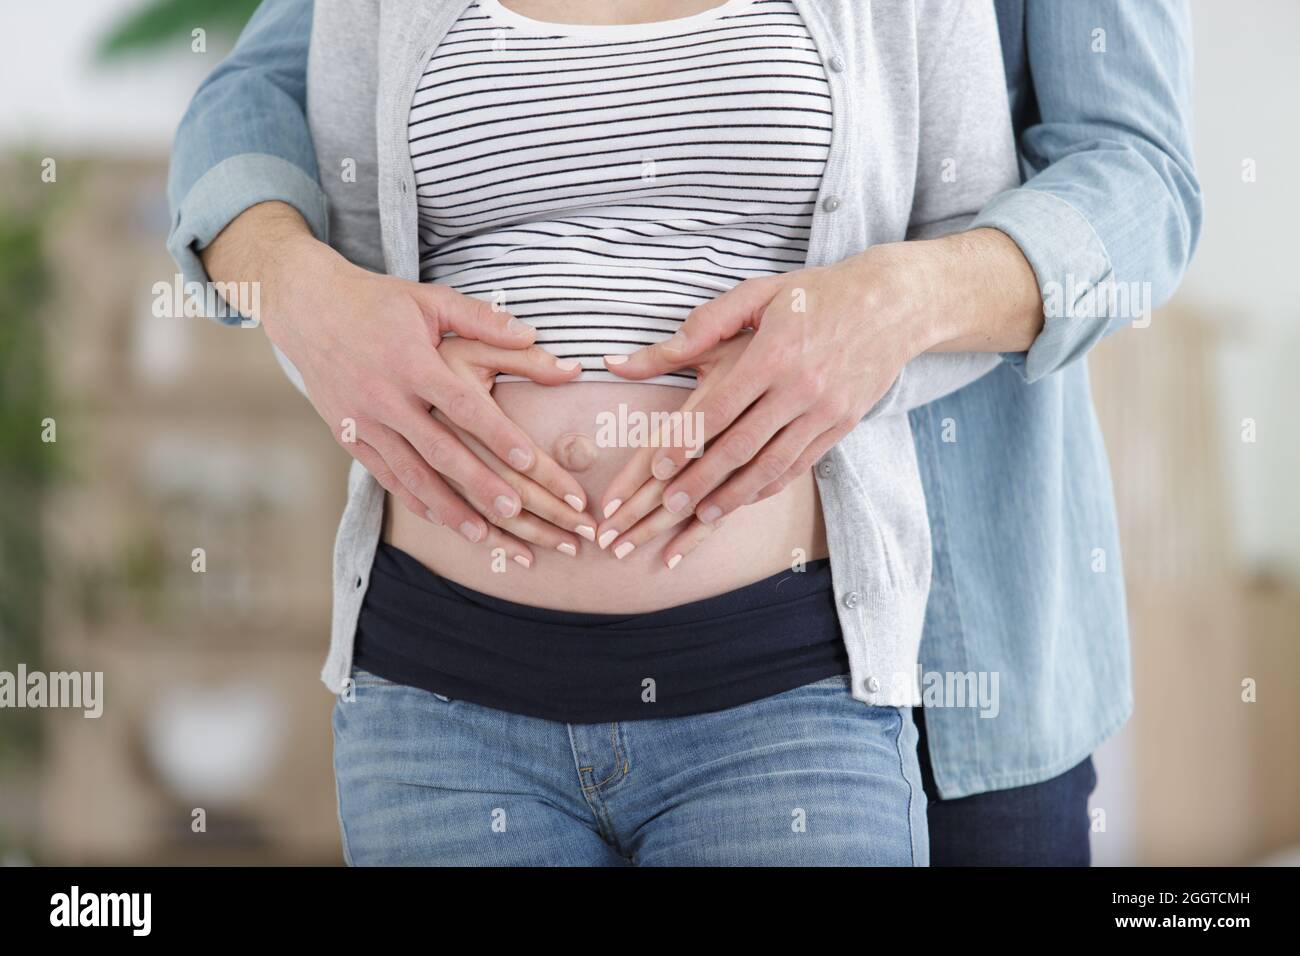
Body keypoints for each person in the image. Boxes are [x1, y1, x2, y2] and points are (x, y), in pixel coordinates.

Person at [167, 0, 1201, 865]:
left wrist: (903, 300)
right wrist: (300, 289)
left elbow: (1140, 176)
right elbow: (260, 100)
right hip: (445, 688)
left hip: (918, 633)